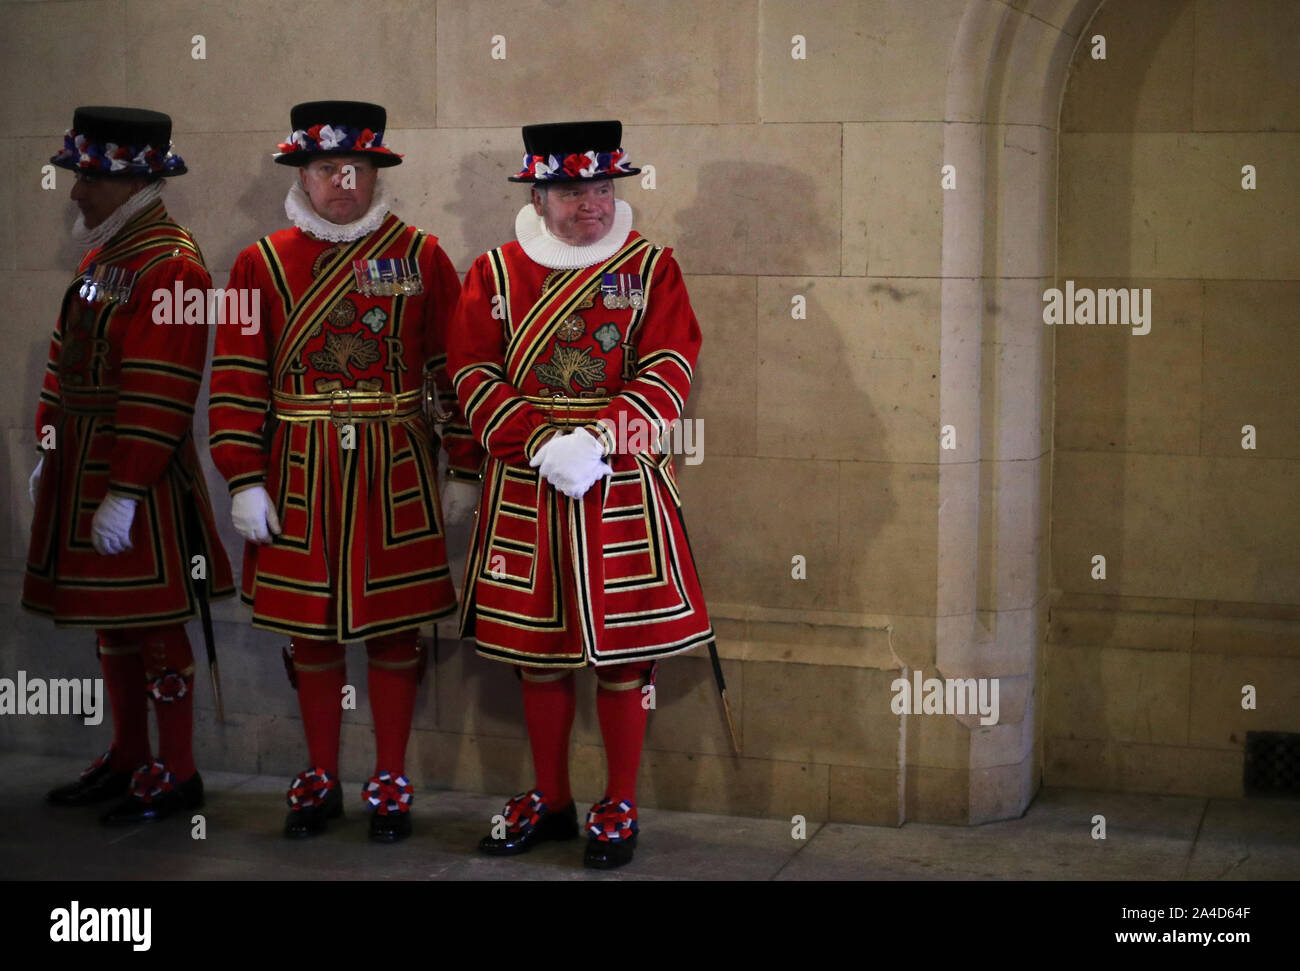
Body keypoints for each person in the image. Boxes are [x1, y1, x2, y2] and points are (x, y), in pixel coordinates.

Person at [208, 101, 481, 843]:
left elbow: (451, 370)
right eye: (328, 168)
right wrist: (243, 475)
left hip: (395, 467)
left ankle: (391, 776)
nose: (344, 182)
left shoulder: (421, 255)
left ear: (377, 173)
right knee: (311, 634)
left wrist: (465, 464)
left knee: (396, 631)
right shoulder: (257, 263)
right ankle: (320, 774)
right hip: (296, 468)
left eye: (357, 168)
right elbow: (236, 377)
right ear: (302, 171)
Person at [447, 120, 715, 869]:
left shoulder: (652, 267)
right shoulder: (494, 272)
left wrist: (600, 438)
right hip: (526, 480)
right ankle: (553, 797)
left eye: (601, 188)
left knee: (624, 656)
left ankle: (619, 800)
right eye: (570, 190)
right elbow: (469, 368)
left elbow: (669, 362)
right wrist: (537, 440)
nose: (589, 205)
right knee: (539, 654)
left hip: (618, 482)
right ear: (540, 193)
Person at [24, 106, 234, 825]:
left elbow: (164, 385)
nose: (76, 191)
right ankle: (127, 754)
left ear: (129, 178)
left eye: (87, 175)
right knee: (112, 623)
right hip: (84, 461)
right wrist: (51, 445)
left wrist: (127, 487)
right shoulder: (108, 252)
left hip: (133, 473)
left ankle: (176, 770)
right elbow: (65, 351)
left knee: (155, 621)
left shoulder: (171, 261)